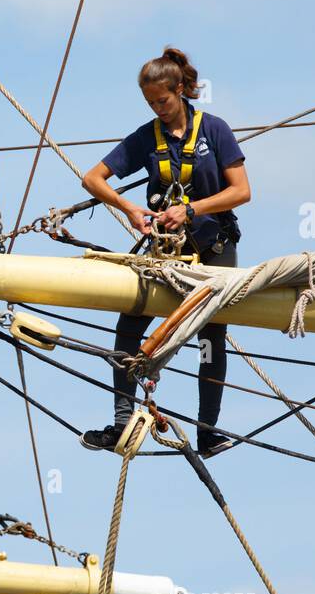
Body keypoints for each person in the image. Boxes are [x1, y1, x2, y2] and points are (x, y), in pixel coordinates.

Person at [78, 47, 252, 457]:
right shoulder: (146, 138)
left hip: (213, 246)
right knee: (128, 327)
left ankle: (207, 431)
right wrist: (131, 209)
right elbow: (93, 178)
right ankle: (123, 424)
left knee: (211, 338)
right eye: (150, 103)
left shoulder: (215, 130)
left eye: (164, 101)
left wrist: (191, 209)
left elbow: (241, 191)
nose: (158, 109)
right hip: (164, 252)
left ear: (181, 91)